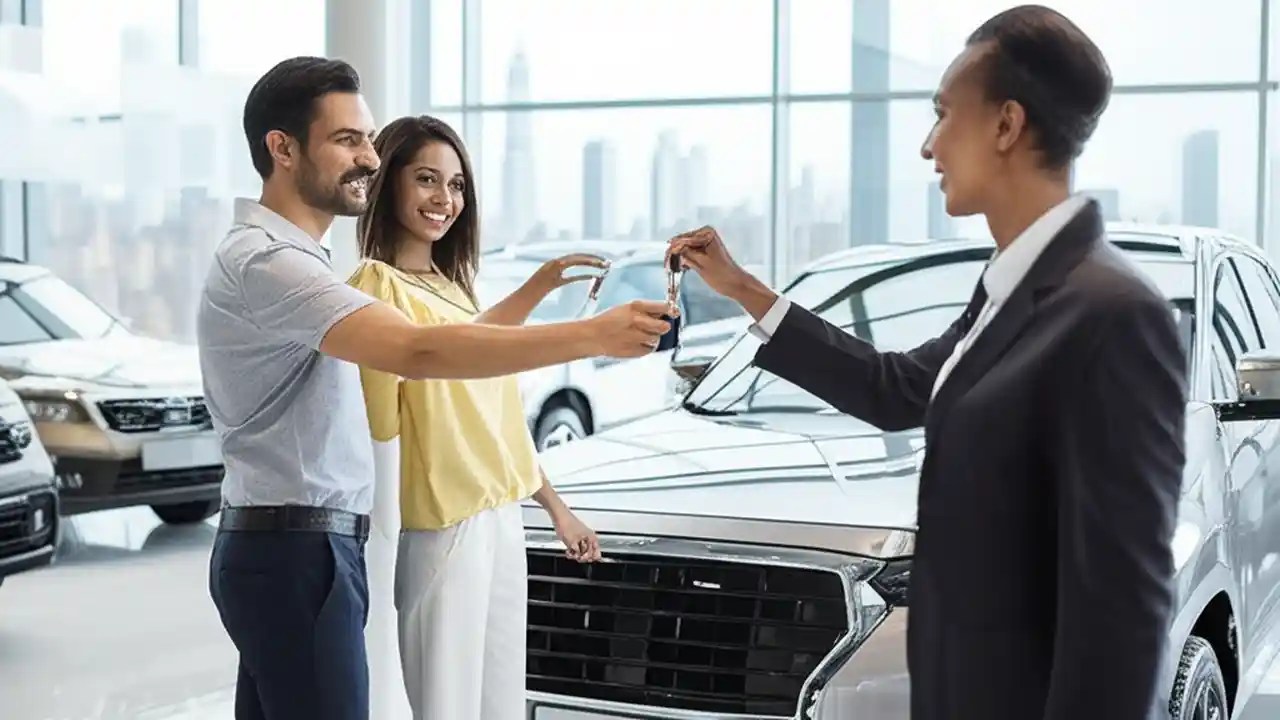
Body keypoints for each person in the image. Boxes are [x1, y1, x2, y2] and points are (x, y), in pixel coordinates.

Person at [668, 6, 1186, 720]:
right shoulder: (1008, 291)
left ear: (1006, 125)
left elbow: (1123, 613)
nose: (928, 145)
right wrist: (742, 290)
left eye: (943, 115)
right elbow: (894, 388)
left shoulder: (1113, 314)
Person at [197, 57, 672, 720]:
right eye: (347, 139)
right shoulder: (271, 263)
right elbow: (419, 351)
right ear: (282, 148)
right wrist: (592, 336)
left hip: (307, 544)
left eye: (368, 138)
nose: (368, 156)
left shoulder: (308, 266)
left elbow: (459, 361)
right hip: (295, 549)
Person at [346, 114, 605, 720]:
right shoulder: (375, 286)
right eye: (428, 180)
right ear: (391, 184)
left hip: (499, 517)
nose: (445, 199)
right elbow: (378, 427)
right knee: (447, 705)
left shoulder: (451, 286)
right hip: (441, 525)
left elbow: (495, 409)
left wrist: (555, 507)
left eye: (457, 184)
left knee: (500, 701)